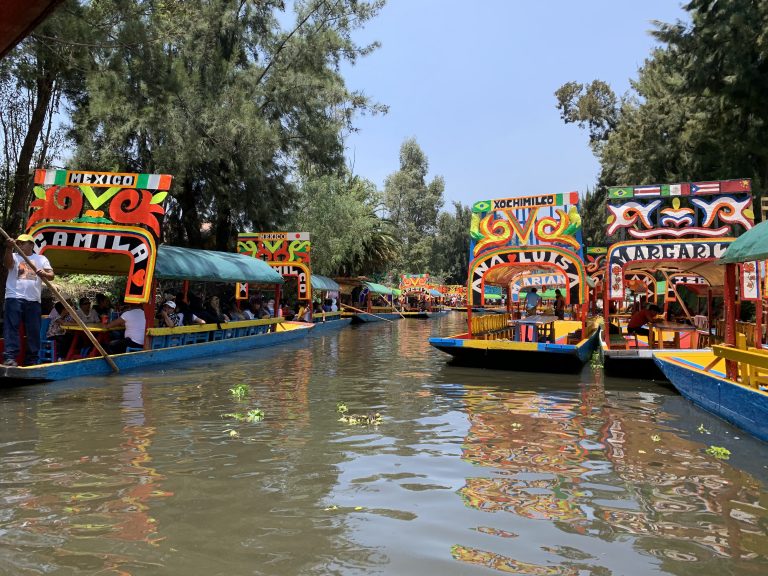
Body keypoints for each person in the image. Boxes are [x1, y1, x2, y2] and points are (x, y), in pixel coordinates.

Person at [3, 234, 55, 366]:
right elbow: (7, 264)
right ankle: (10, 357)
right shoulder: (14, 256)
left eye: (23, 243)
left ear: (31, 245)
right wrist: (9, 248)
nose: (19, 245)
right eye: (18, 243)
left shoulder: (41, 258)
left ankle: (32, 360)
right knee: (11, 328)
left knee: (33, 330)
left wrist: (44, 274)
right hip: (14, 297)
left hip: (33, 300)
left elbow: (51, 276)